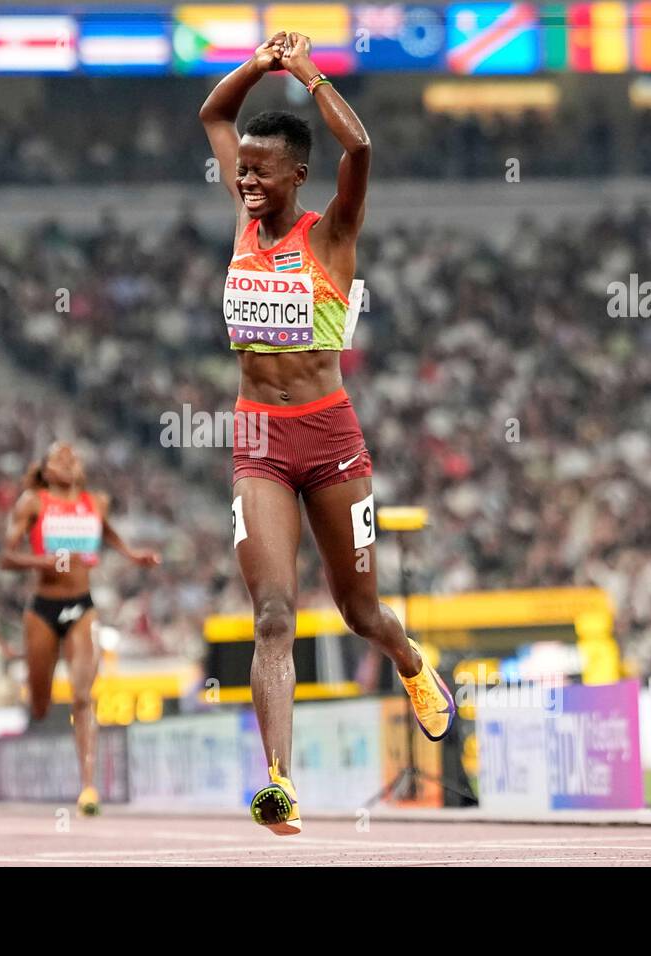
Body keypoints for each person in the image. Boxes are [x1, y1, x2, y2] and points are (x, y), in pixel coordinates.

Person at [199, 31, 455, 835]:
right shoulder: (241, 222)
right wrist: (260, 63)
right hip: (259, 442)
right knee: (273, 613)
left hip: (332, 437)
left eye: (260, 171)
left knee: (360, 612)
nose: (244, 179)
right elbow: (215, 109)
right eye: (240, 168)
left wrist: (307, 73)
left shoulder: (332, 233)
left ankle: (412, 664)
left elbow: (361, 143)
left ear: (296, 177)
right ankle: (279, 781)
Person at [0, 441, 160, 816]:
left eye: (73, 456)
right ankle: (38, 705)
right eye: (59, 456)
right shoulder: (32, 502)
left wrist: (131, 554)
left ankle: (88, 786)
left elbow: (107, 533)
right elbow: (5, 557)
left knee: (83, 695)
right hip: (42, 609)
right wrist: (45, 561)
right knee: (39, 702)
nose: (68, 461)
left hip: (82, 606)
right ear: (45, 468)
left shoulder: (96, 501)